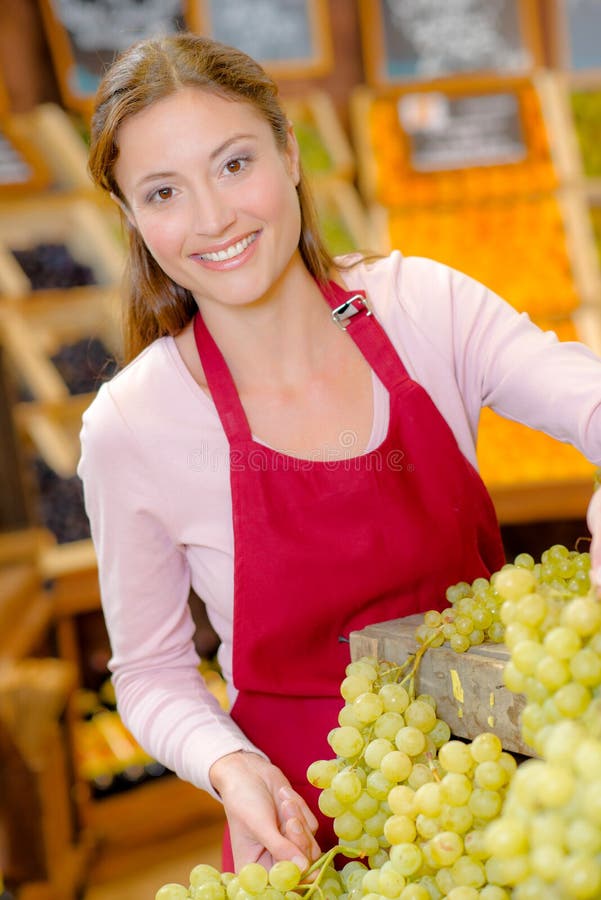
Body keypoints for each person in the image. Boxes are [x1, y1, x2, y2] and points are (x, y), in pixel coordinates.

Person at [78, 31, 601, 874]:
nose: (213, 218)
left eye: (234, 163)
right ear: (132, 217)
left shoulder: (422, 308)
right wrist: (228, 765)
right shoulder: (131, 425)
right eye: (164, 191)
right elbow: (149, 671)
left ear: (288, 154)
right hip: (299, 826)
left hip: (499, 798)